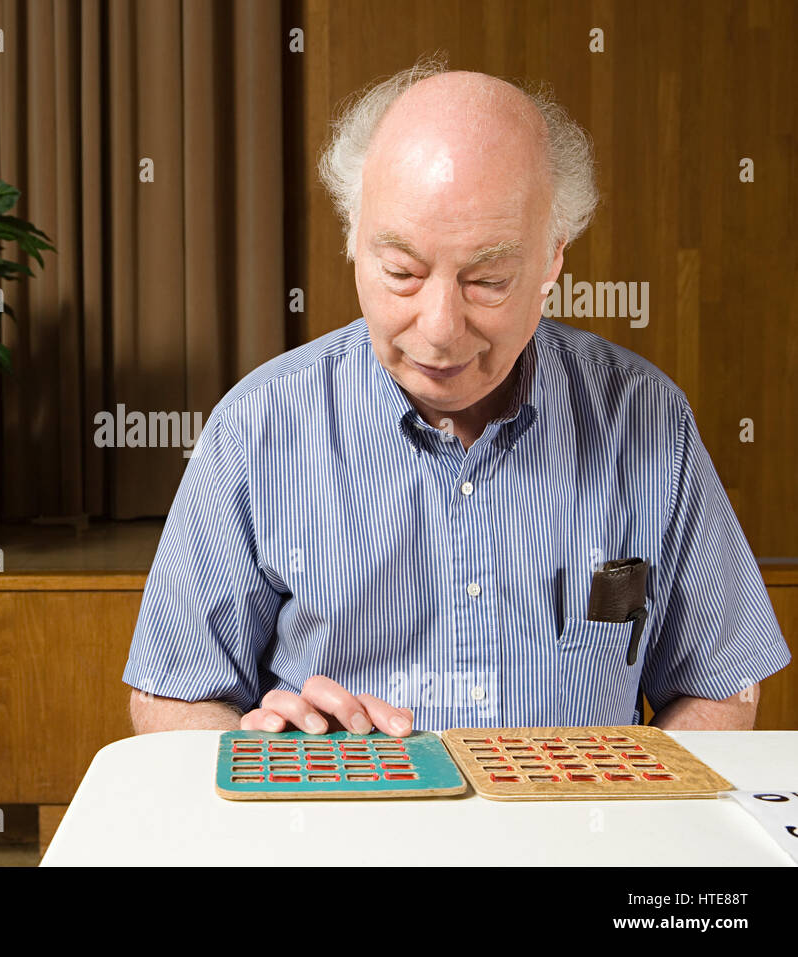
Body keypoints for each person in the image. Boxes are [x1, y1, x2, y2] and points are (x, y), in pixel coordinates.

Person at [123, 55, 790, 736]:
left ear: (553, 257)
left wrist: (631, 827)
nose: (439, 332)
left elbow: (721, 683)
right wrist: (261, 750)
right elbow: (169, 693)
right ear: (354, 241)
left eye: (489, 280)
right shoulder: (255, 428)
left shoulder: (645, 419)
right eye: (402, 273)